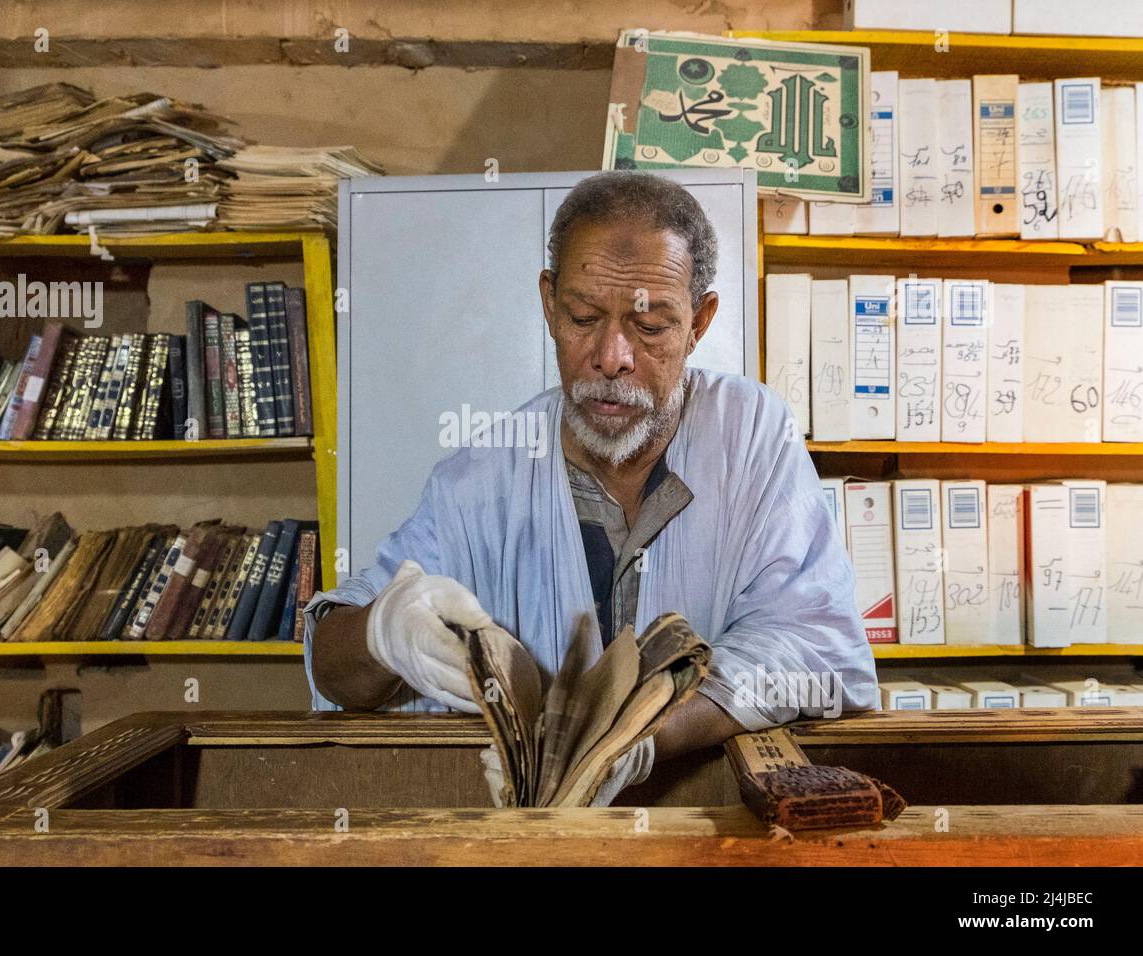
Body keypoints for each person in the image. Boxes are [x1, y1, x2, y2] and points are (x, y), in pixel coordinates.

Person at [302, 171, 877, 806]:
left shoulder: (750, 434)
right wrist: (384, 632)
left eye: (651, 326)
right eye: (582, 317)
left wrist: (635, 739)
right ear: (549, 304)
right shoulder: (483, 477)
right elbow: (334, 669)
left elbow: (814, 646)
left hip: (702, 833)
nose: (611, 356)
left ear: (701, 322)